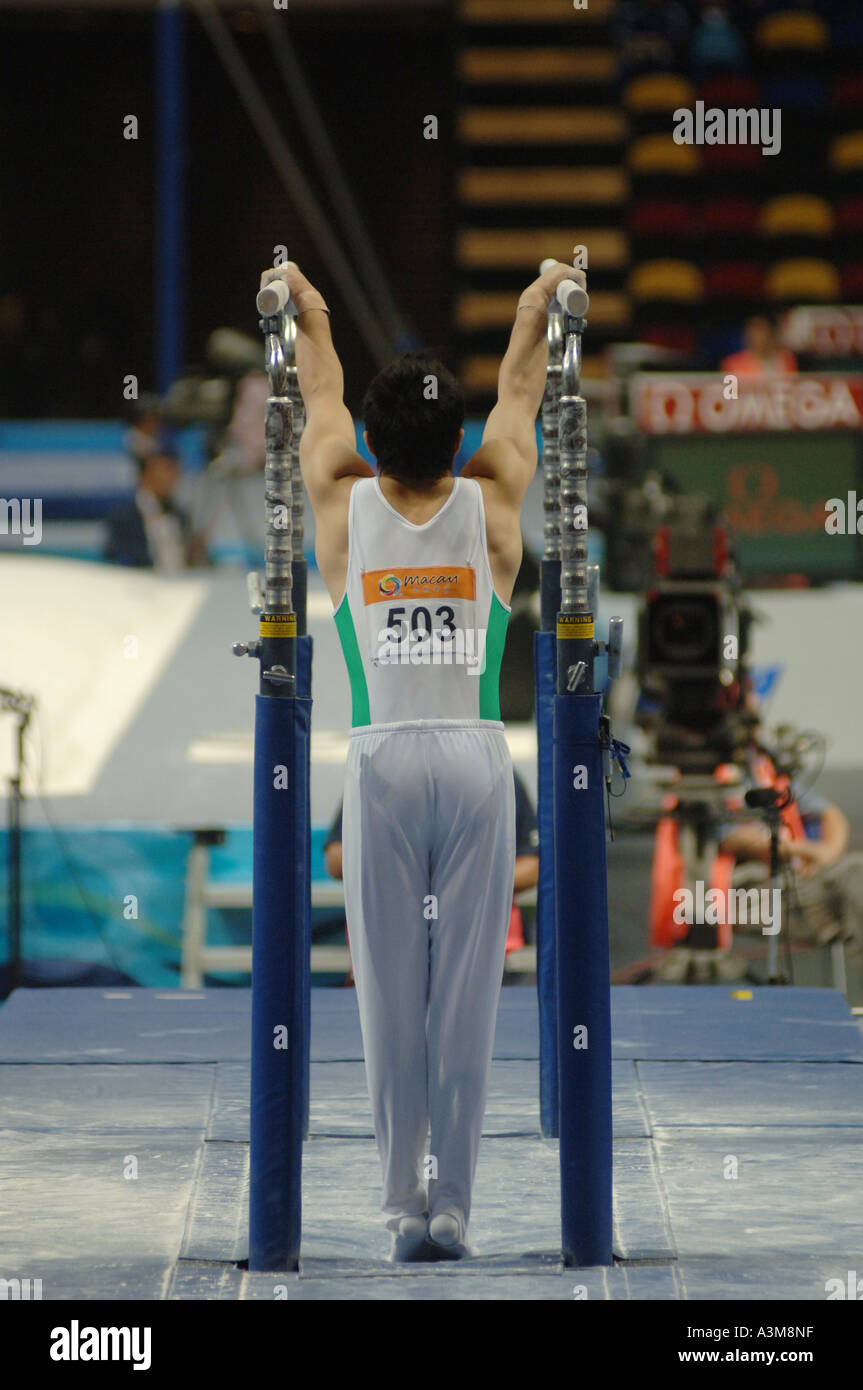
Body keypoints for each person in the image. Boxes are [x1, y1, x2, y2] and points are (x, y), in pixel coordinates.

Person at [259, 256, 583, 1261]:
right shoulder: (489, 506)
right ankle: (455, 1205)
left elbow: (318, 393)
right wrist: (538, 302)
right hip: (479, 761)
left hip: (380, 763)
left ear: (373, 438)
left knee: (390, 994)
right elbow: (521, 393)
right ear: (455, 439)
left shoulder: (342, 506)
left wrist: (301, 304)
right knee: (467, 998)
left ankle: (404, 1205)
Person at [323, 768, 540, 984]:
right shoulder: (381, 768)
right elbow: (337, 860)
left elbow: (531, 867)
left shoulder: (496, 771)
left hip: (482, 957)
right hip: (389, 953)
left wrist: (462, 883)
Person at [103, 450, 208, 571]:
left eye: (175, 472)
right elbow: (113, 553)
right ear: (145, 474)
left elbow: (194, 558)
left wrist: (196, 552)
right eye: (166, 470)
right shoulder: (124, 516)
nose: (172, 478)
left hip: (181, 583)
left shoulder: (180, 515)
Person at [720, 315, 798, 378]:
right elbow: (731, 394)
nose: (755, 336)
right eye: (752, 330)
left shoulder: (787, 359)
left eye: (760, 329)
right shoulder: (732, 363)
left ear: (771, 332)